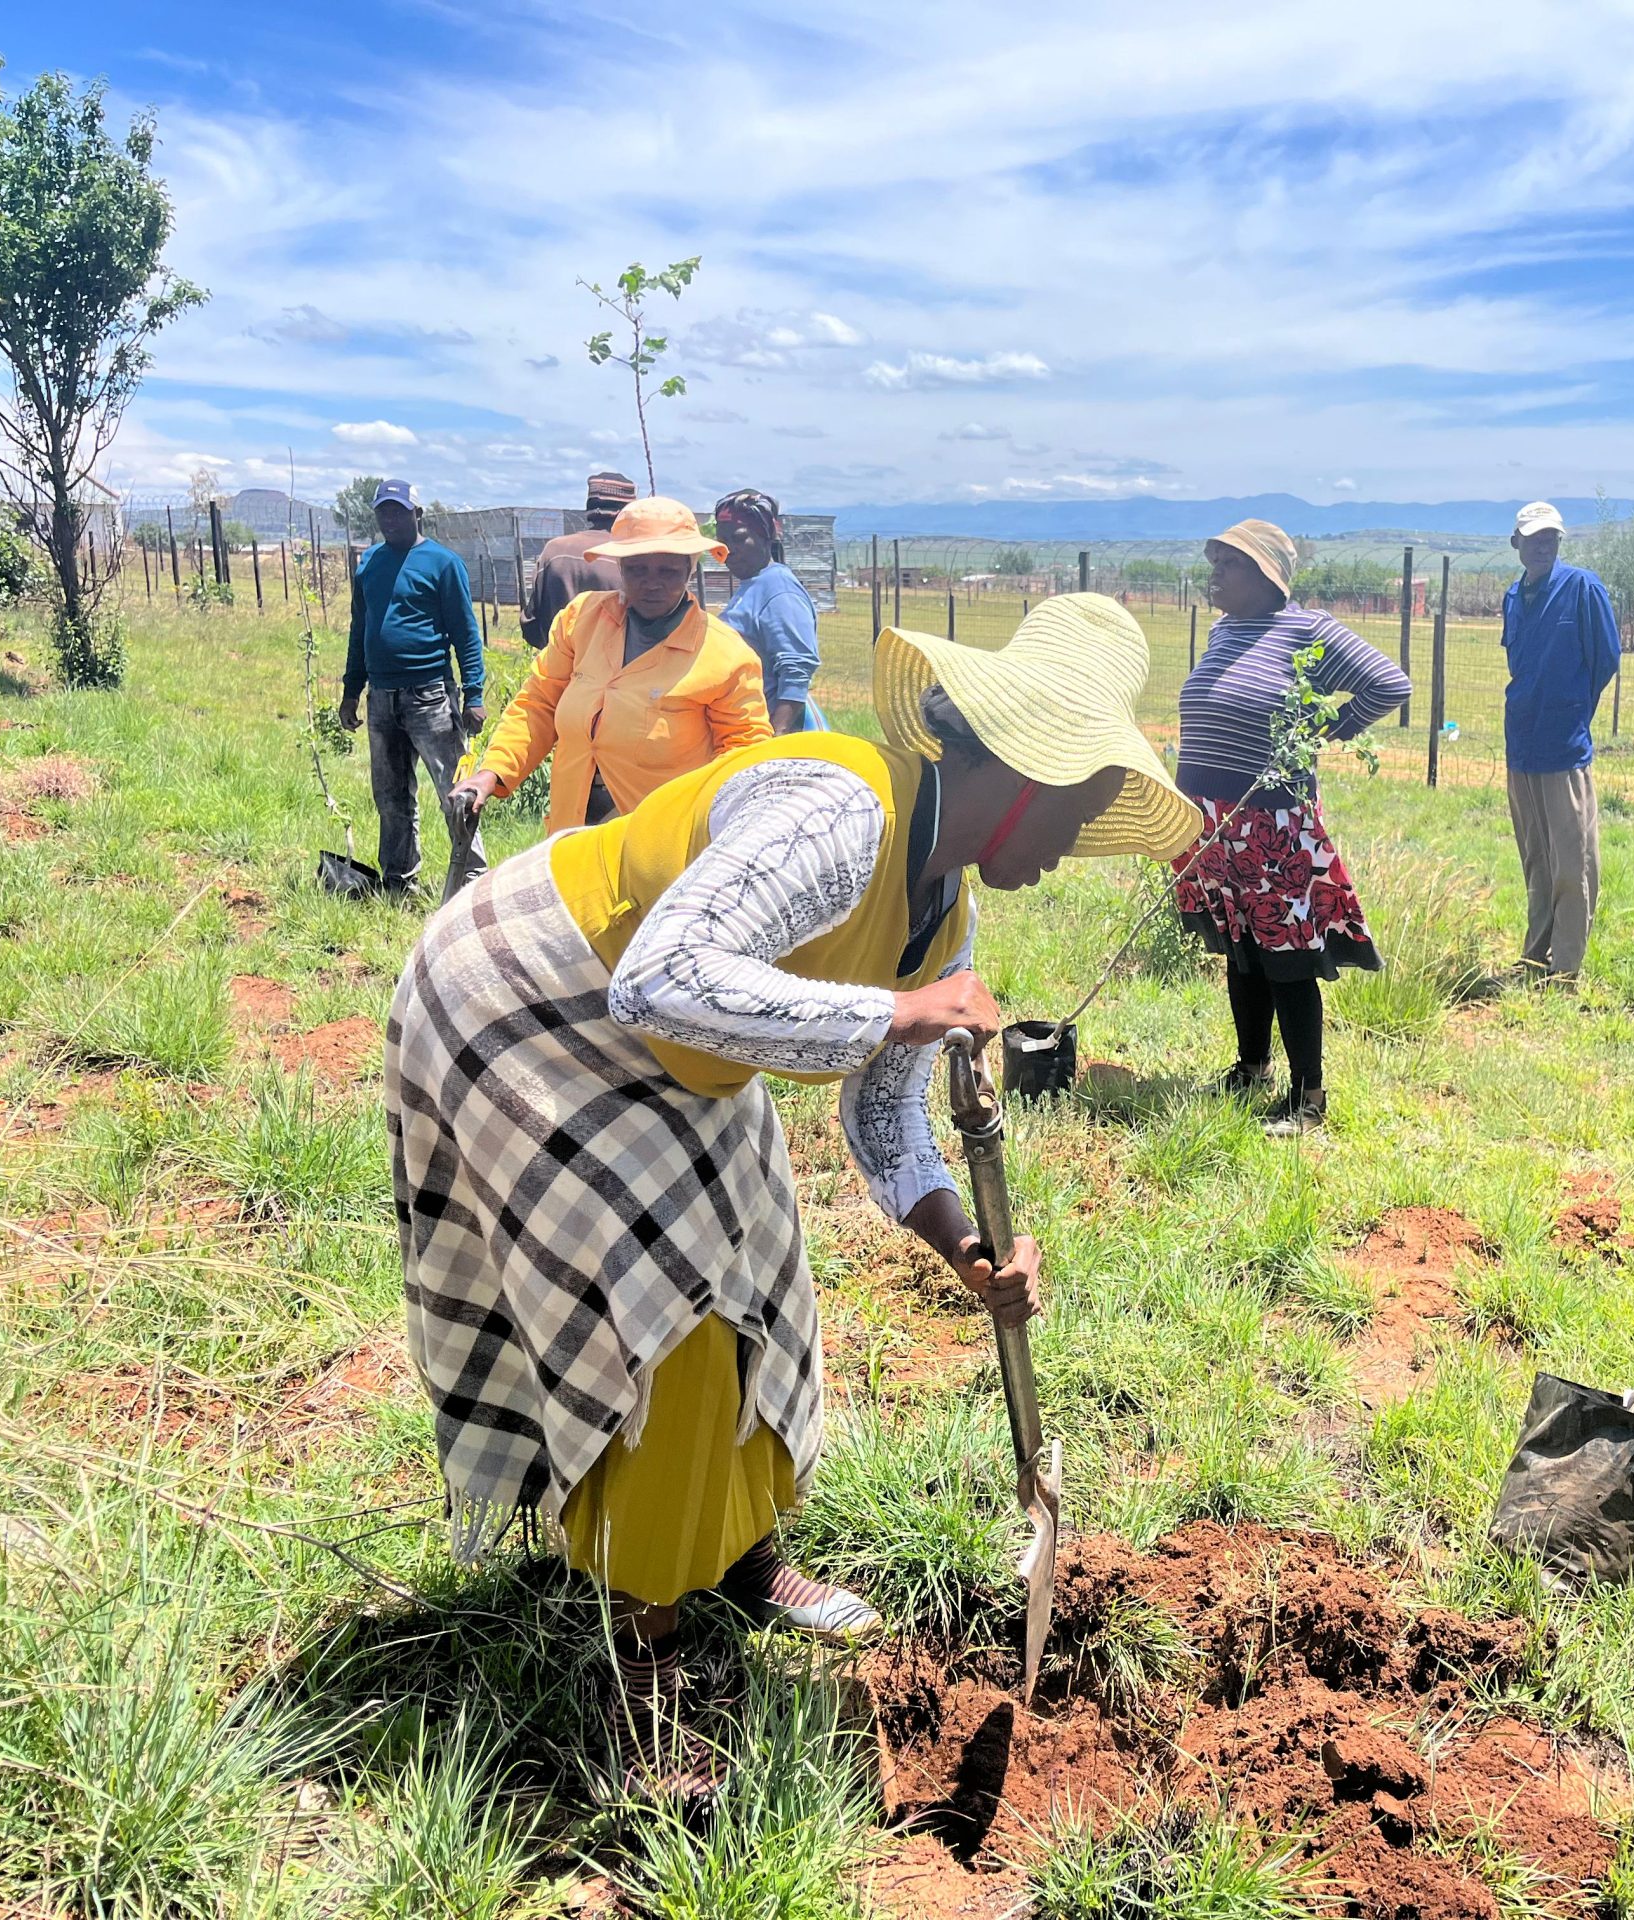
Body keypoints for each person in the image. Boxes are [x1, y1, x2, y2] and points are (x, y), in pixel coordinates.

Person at [391, 595, 1199, 1798]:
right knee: (666, 1320)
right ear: (1019, 770)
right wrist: (895, 1013)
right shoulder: (839, 814)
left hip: (674, 1042)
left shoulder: (945, 908)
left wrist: (962, 1245)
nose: (1082, 839)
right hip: (533, 998)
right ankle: (643, 1669)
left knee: (763, 1266)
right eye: (1083, 808)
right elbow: (662, 977)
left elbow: (884, 1118)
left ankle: (740, 1556)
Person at [1172, 517, 1411, 1136]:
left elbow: (1389, 683)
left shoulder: (1305, 631)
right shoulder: (1226, 631)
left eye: (1229, 563)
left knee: (1286, 952)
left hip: (1271, 822)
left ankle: (1309, 1094)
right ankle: (1251, 1068)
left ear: (1266, 575)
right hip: (1216, 819)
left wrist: (1336, 726)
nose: (1215, 573)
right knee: (1242, 947)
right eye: (1215, 561)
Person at [452, 497, 773, 838]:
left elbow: (744, 757)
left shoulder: (725, 655)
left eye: (668, 570)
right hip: (571, 836)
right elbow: (539, 704)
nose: (652, 582)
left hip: (662, 848)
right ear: (619, 566)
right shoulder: (582, 620)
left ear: (690, 569)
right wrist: (493, 772)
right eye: (637, 568)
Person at [339, 480, 488, 902]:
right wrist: (353, 690)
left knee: (455, 793)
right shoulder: (369, 563)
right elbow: (359, 629)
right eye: (383, 511)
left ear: (416, 514)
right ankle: (398, 881)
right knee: (390, 795)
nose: (390, 519)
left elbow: (465, 632)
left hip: (431, 696)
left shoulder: (442, 563)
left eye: (398, 511)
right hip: (382, 696)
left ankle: (473, 884)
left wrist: (474, 694)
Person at [1499, 501, 1622, 985]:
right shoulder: (1513, 596)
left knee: (1573, 860)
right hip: (1521, 745)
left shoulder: (1582, 589)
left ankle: (1565, 967)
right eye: (1534, 537)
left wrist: (1574, 709)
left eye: (1551, 536)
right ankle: (1534, 955)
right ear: (1517, 544)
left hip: (1564, 746)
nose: (1543, 544)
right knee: (1535, 857)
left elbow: (1605, 660)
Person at [712, 489, 825, 733]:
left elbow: (796, 668)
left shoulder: (779, 589)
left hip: (775, 732)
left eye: (739, 538)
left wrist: (775, 741)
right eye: (722, 542)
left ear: (765, 537)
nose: (728, 550)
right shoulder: (753, 584)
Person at [519, 470, 633, 649]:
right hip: (616, 670)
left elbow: (531, 623)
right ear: (628, 510)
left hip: (559, 670)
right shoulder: (632, 556)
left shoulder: (554, 551)